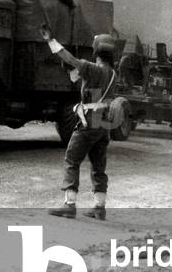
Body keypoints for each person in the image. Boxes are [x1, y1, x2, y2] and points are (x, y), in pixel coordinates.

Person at [41, 26, 117, 220]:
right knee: (98, 166)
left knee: (72, 160)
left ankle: (69, 204)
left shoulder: (92, 69)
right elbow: (95, 92)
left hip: (89, 122)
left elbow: (69, 58)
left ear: (96, 50)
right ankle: (100, 207)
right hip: (103, 124)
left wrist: (51, 40)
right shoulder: (113, 74)